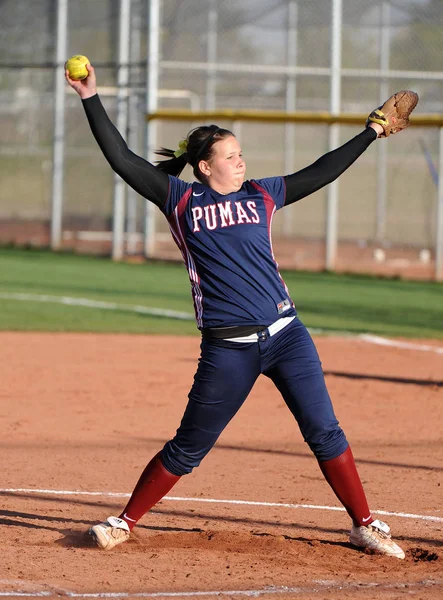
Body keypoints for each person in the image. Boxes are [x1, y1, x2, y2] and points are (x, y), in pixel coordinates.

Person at [66, 62, 409, 559]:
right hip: (229, 349)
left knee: (324, 430)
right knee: (188, 448)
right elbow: (121, 158)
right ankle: (123, 522)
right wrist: (90, 97)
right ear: (205, 166)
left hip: (288, 335)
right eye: (231, 156)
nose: (241, 161)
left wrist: (371, 131)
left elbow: (321, 171)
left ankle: (366, 524)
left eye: (242, 153)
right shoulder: (180, 199)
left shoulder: (262, 194)